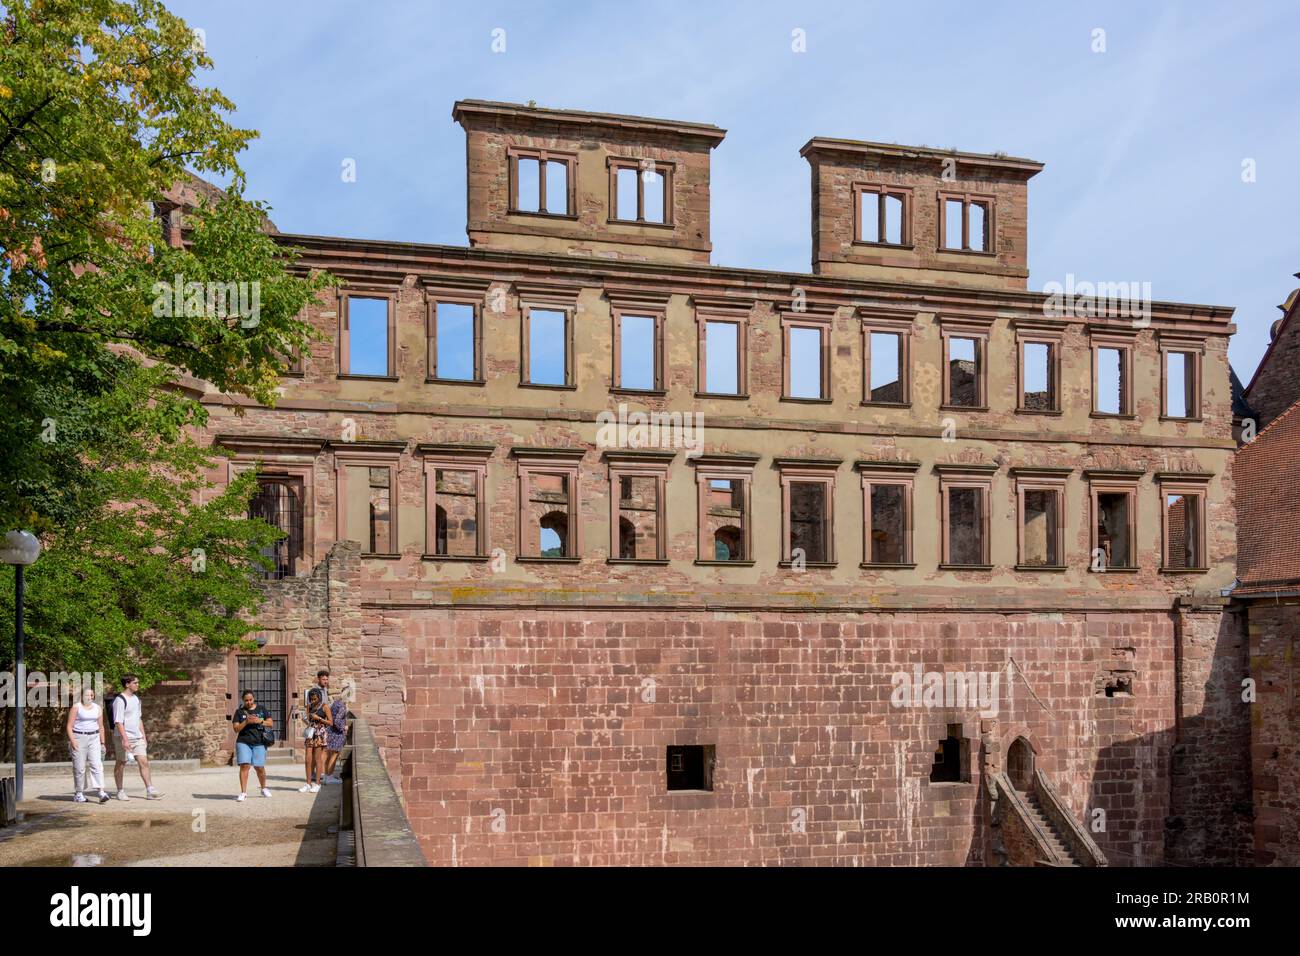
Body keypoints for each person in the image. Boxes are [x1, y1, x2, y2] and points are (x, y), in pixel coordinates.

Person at [112, 675, 161, 800]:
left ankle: (150, 789)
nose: (138, 685)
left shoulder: (136, 699)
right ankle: (120, 790)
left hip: (137, 737)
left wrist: (143, 736)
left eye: (138, 682)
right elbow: (118, 722)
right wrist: (125, 739)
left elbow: (138, 719)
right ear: (127, 684)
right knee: (121, 763)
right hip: (123, 737)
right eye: (135, 683)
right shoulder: (120, 700)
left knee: (143, 762)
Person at [66, 686, 110, 804]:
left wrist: (103, 743)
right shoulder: (76, 707)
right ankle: (79, 793)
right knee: (79, 767)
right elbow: (69, 726)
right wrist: (73, 741)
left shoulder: (97, 708)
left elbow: (101, 727)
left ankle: (101, 792)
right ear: (82, 696)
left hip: (94, 737)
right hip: (79, 737)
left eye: (91, 695)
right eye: (87, 695)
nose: (89, 697)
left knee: (97, 765)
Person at [231, 690, 274, 802]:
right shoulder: (239, 712)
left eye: (250, 700)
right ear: (243, 700)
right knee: (245, 766)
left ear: (253, 698)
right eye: (246, 700)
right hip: (243, 741)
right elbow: (236, 729)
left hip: (259, 742)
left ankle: (264, 788)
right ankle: (243, 792)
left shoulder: (261, 709)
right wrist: (246, 722)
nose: (249, 702)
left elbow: (270, 723)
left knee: (259, 767)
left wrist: (259, 720)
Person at [298, 686, 329, 793]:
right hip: (311, 733)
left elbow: (331, 722)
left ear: (319, 698)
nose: (313, 701)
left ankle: (317, 784)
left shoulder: (325, 707)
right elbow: (308, 720)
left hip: (319, 734)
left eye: (315, 699)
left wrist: (319, 718)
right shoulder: (309, 707)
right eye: (311, 699)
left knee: (317, 759)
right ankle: (308, 783)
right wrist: (305, 720)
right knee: (307, 760)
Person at [322, 693, 347, 783]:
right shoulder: (342, 706)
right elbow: (336, 720)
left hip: (330, 732)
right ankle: (329, 777)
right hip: (336, 733)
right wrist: (343, 728)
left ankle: (326, 776)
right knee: (334, 754)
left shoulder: (336, 703)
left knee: (329, 754)